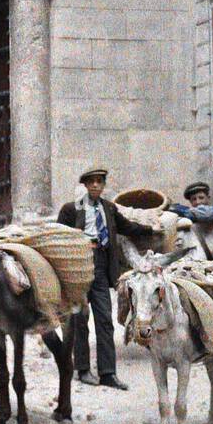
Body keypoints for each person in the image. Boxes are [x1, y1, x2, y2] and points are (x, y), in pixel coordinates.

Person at [57, 167, 146, 389]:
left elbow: (128, 227)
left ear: (104, 185)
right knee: (80, 318)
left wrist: (153, 230)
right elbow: (58, 235)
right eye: (92, 182)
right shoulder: (71, 209)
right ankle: (83, 369)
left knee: (105, 318)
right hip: (80, 263)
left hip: (102, 265)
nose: (96, 185)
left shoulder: (109, 208)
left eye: (100, 182)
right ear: (85, 185)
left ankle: (108, 373)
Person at [169, 181, 213, 263]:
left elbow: (206, 214)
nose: (198, 202)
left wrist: (176, 209)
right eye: (194, 199)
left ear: (208, 198)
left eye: (201, 197)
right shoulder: (190, 215)